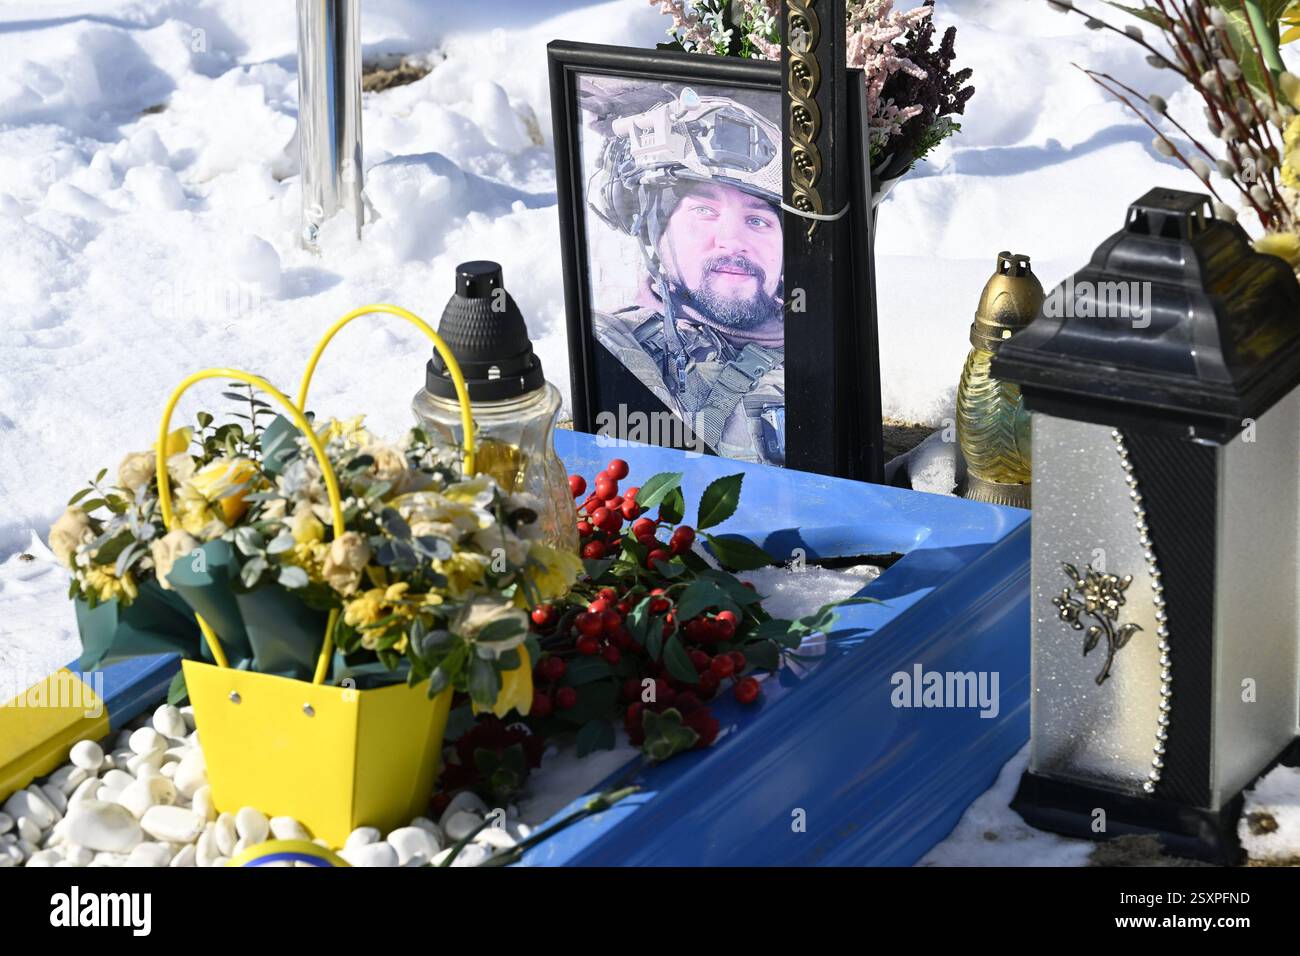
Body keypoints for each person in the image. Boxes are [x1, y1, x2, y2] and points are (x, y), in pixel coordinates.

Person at [587, 87, 786, 465]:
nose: (732, 242)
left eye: (757, 220)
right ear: (654, 231)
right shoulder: (612, 343)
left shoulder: (826, 352)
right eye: (703, 212)